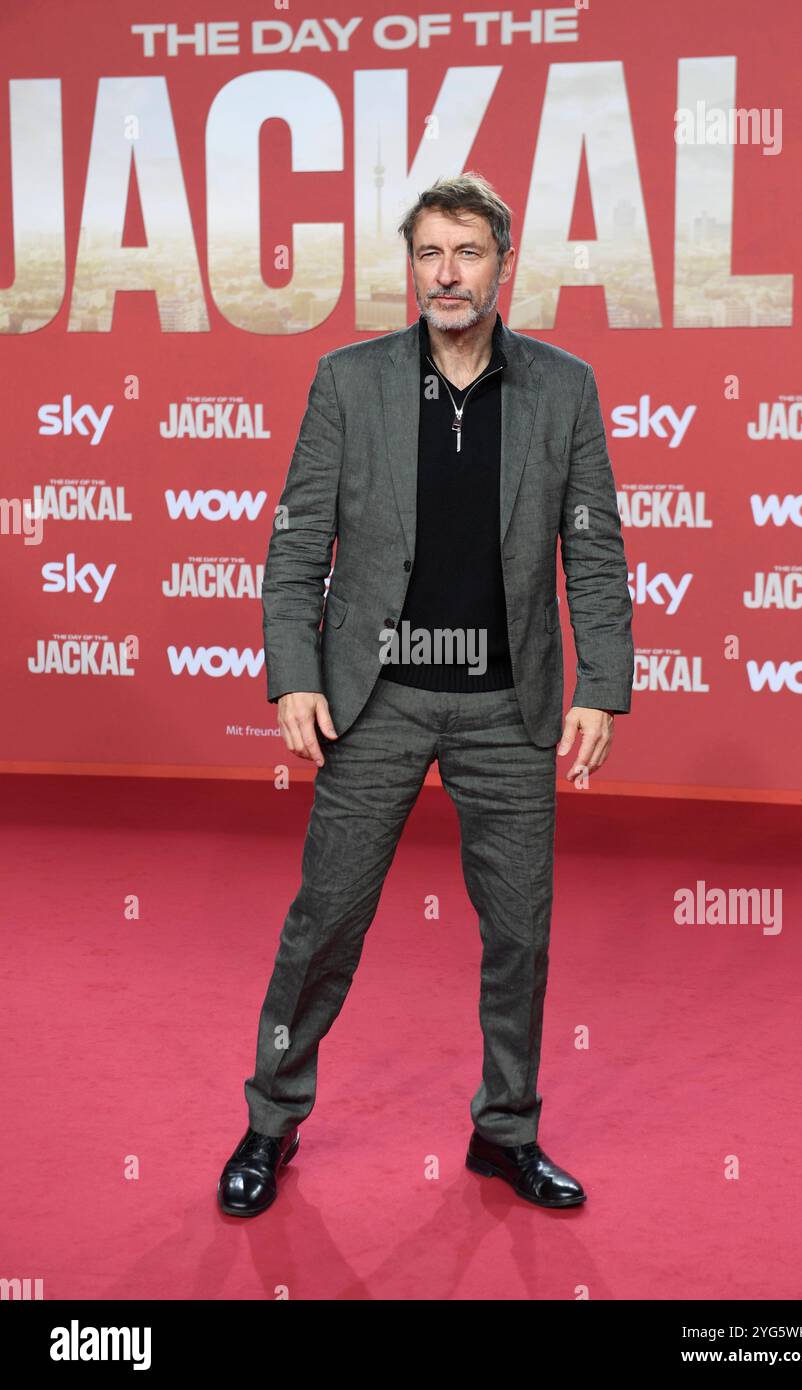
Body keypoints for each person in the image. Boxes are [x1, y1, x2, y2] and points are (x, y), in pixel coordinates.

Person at [218, 172, 634, 1217]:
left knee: (519, 935)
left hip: (509, 706)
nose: (445, 274)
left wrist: (604, 687)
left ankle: (505, 1131)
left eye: (466, 253)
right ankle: (269, 1122)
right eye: (428, 254)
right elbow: (295, 546)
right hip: (378, 700)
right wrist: (294, 673)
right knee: (324, 922)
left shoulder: (564, 388)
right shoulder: (347, 381)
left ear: (503, 265)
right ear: (410, 267)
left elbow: (592, 553)